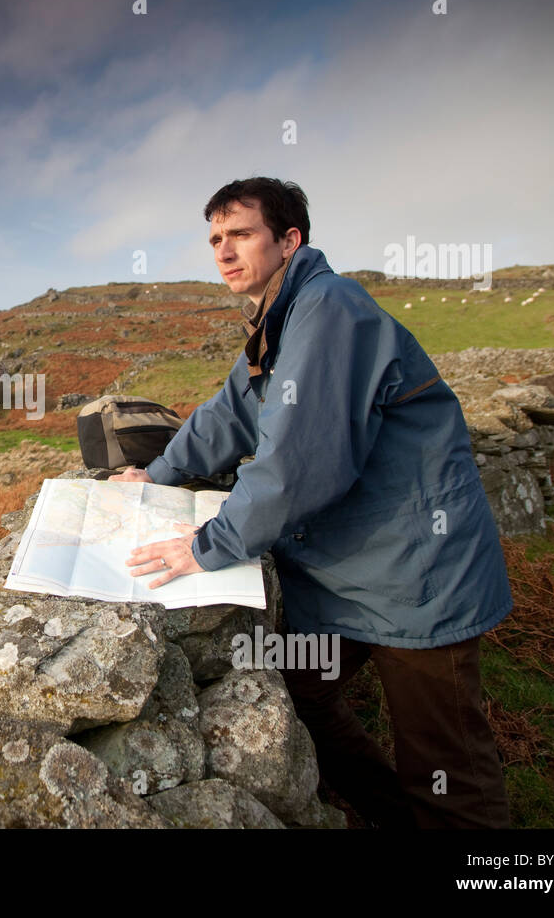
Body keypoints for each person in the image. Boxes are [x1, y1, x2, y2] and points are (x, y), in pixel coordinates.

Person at [110, 177, 513, 828]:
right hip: (344, 579)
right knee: (300, 695)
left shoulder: (330, 309)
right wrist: (156, 475)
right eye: (214, 238)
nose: (223, 251)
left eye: (240, 234)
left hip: (418, 576)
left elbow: (299, 463)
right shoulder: (278, 318)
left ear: (289, 239)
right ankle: (391, 814)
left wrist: (207, 544)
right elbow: (228, 414)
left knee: (446, 763)